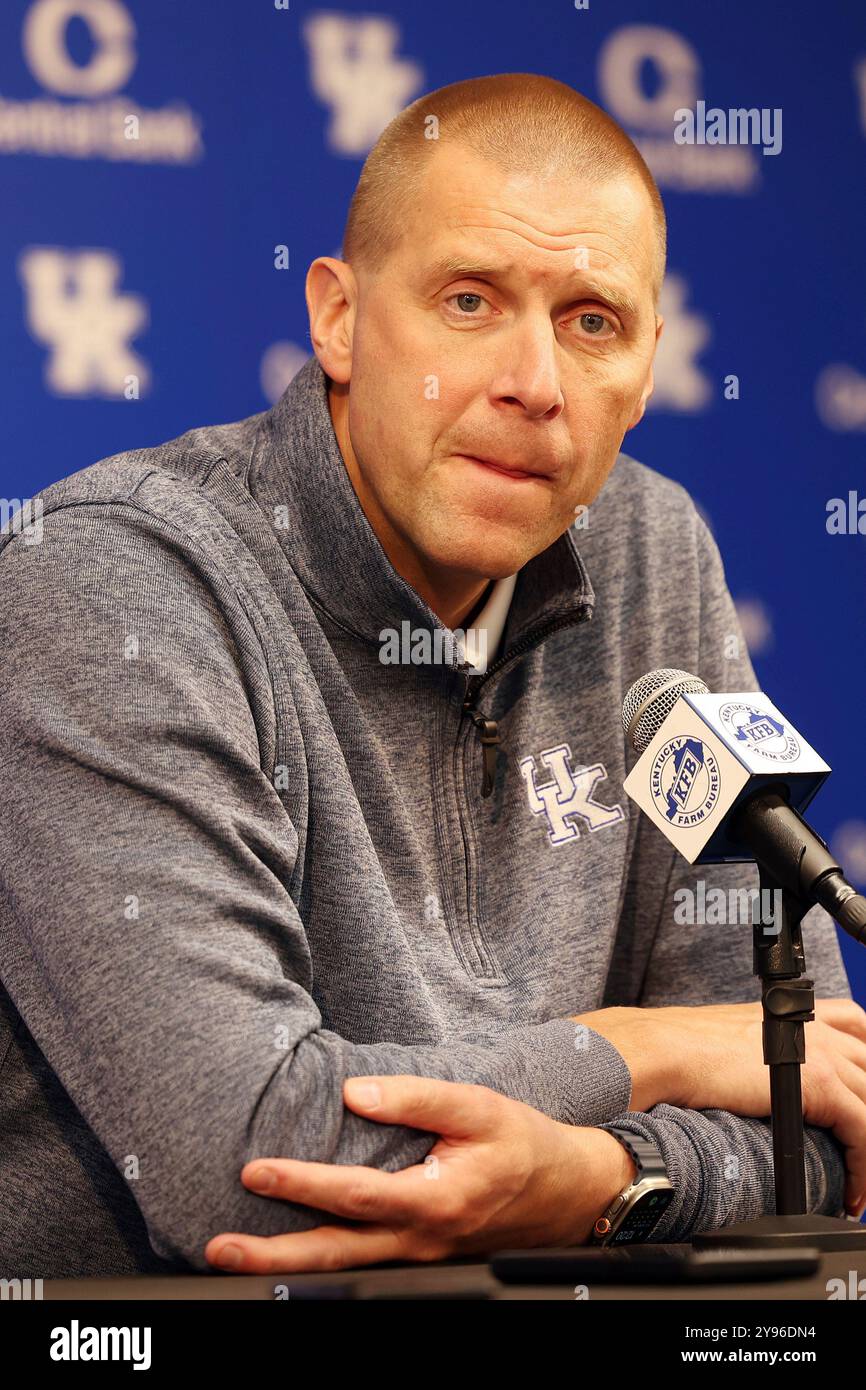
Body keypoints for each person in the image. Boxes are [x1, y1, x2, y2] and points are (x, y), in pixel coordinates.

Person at [1, 73, 864, 1280]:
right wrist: (637, 1052)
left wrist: (610, 1180)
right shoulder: (111, 586)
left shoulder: (650, 551)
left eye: (591, 322)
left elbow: (814, 1099)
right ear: (339, 319)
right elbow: (249, 1160)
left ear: (649, 362)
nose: (534, 384)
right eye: (469, 300)